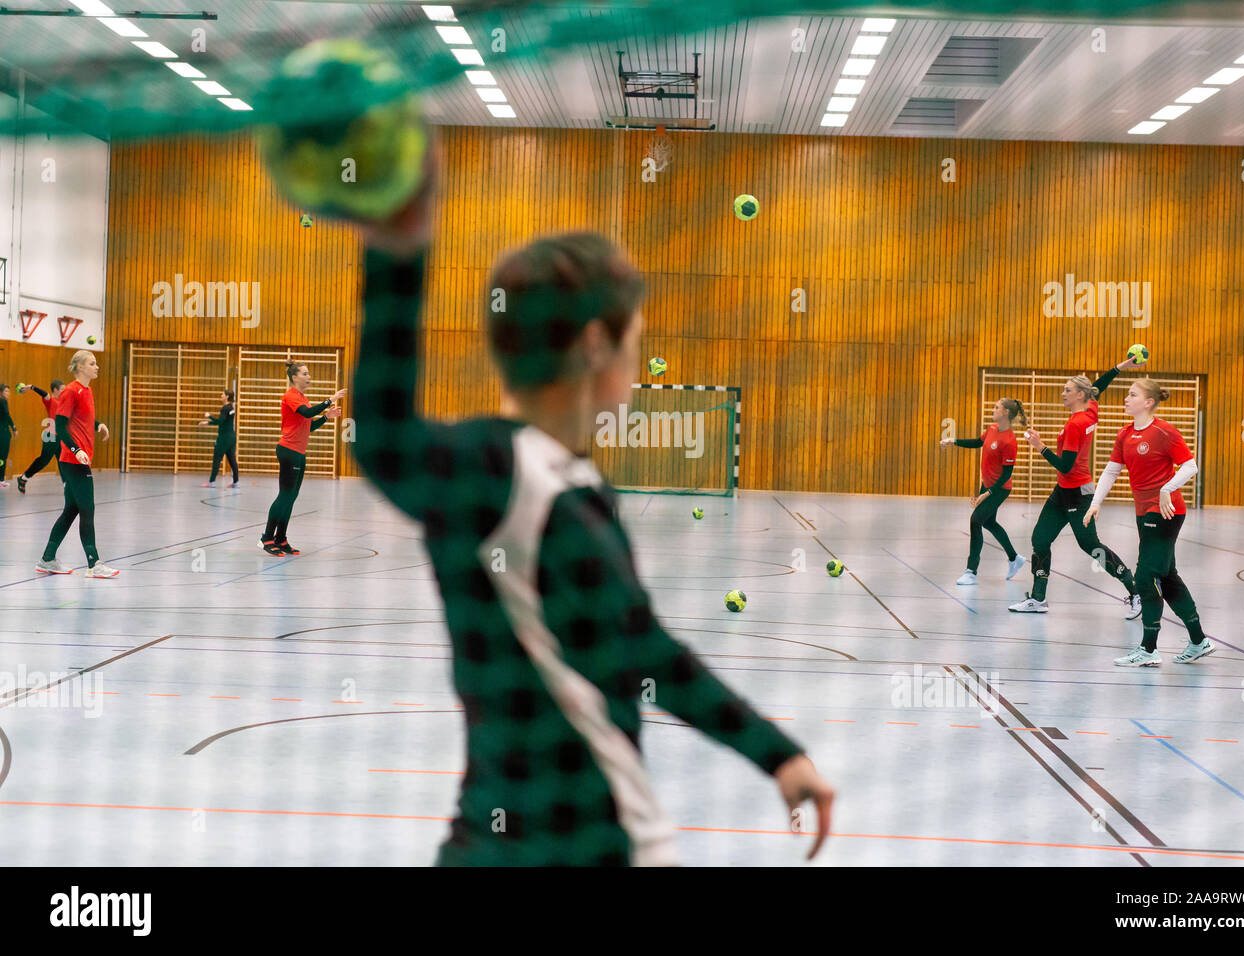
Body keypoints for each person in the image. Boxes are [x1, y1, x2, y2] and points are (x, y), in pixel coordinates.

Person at [349, 138, 834, 866]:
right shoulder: (493, 469)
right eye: (634, 342)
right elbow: (383, 436)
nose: (638, 366)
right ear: (595, 345)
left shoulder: (580, 484)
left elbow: (643, 651)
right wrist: (398, 247)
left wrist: (777, 755)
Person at [1084, 378, 1212, 666]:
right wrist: (1095, 503)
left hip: (1166, 512)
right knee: (1167, 577)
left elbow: (1190, 465)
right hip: (1144, 513)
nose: (1126, 398)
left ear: (1149, 402)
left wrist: (1167, 488)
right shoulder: (1125, 434)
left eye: (1132, 394)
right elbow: (1110, 472)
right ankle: (1198, 640)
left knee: (1144, 576)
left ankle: (1149, 649)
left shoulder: (1164, 431)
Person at [1009, 357, 1143, 617]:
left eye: (1067, 390)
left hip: (1079, 493)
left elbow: (1066, 466)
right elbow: (1098, 387)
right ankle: (1038, 599)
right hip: (1062, 492)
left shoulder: (1076, 424)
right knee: (1040, 539)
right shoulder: (1090, 409)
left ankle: (1135, 590)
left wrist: (1040, 446)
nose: (1063, 393)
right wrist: (1119, 368)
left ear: (1079, 395)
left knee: (1091, 546)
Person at [36, 351, 117, 578]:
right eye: (92, 363)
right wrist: (77, 449)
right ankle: (94, 563)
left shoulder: (87, 391)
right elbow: (60, 426)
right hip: (73, 460)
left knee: (71, 510)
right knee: (87, 509)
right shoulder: (71, 391)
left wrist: (98, 424)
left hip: (78, 459)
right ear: (80, 367)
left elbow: (80, 420)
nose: (97, 366)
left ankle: (47, 559)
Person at [940, 397, 1028, 585]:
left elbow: (1006, 475)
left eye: (996, 407)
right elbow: (976, 442)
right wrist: (952, 441)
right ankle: (1015, 558)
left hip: (999, 489)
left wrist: (986, 494)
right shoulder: (992, 429)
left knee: (976, 520)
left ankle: (971, 571)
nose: (993, 409)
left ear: (1005, 413)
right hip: (987, 485)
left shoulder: (1010, 441)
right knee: (989, 523)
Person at [260, 364, 343, 555]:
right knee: (284, 496)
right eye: (305, 373)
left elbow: (308, 426)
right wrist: (330, 400)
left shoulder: (303, 398)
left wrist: (326, 417)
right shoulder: (290, 395)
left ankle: (281, 539)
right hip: (288, 451)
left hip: (299, 453)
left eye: (309, 373)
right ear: (294, 377)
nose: (309, 376)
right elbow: (306, 413)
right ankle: (266, 538)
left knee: (291, 497)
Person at [15, 381, 65, 494]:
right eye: (62, 389)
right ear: (55, 390)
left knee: (63, 461)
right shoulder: (51, 401)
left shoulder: (64, 403)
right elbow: (44, 394)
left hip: (61, 437)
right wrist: (32, 387)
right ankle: (23, 478)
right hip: (50, 436)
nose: (64, 391)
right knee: (43, 461)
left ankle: (67, 485)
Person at [199, 388, 240, 489]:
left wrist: (209, 419)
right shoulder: (231, 408)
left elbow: (220, 422)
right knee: (232, 461)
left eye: (222, 394)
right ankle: (236, 482)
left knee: (217, 459)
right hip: (231, 437)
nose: (221, 395)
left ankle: (211, 482)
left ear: (227, 396)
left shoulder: (225, 408)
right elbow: (224, 422)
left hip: (224, 438)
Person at [0, 383, 13, 488]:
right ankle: (1, 480)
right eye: (6, 391)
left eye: (8, 391)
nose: (8, 393)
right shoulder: (3, 401)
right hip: (3, 433)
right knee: (3, 457)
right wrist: (14, 427)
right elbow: (7, 416)